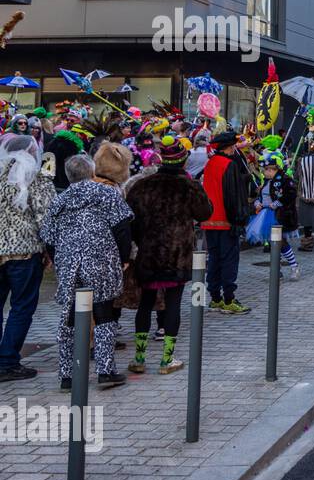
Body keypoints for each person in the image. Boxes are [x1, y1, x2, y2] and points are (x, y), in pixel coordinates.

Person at [41, 154, 133, 390]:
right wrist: (124, 258)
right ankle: (105, 370)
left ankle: (67, 374)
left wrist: (61, 257)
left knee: (70, 316)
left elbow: (48, 236)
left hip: (70, 262)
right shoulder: (107, 193)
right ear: (92, 173)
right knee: (104, 313)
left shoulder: (60, 199)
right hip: (101, 258)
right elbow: (122, 227)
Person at [125, 135, 213, 374]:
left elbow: (129, 218)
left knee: (146, 302)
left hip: (148, 251)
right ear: (183, 161)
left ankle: (140, 358)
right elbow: (205, 212)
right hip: (177, 252)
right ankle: (167, 359)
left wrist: (139, 238)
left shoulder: (142, 185)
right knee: (173, 302)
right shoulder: (189, 185)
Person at [0, 136, 54, 381]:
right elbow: (46, 217)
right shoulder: (36, 176)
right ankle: (8, 360)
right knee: (22, 307)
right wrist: (52, 251)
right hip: (24, 251)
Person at [200, 130, 252, 315]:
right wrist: (239, 219)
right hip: (226, 220)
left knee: (214, 259)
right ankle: (229, 298)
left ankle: (215, 297)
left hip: (209, 220)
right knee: (229, 259)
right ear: (230, 148)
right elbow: (233, 196)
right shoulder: (228, 165)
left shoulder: (210, 163)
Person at [256, 151, 300, 281]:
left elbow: (291, 194)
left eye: (268, 170)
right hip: (266, 215)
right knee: (273, 243)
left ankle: (293, 266)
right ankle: (277, 270)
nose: (265, 172)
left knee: (280, 242)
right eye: (265, 170)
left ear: (274, 169)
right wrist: (257, 202)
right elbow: (262, 196)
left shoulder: (285, 180)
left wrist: (277, 203)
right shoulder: (266, 181)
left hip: (280, 215)